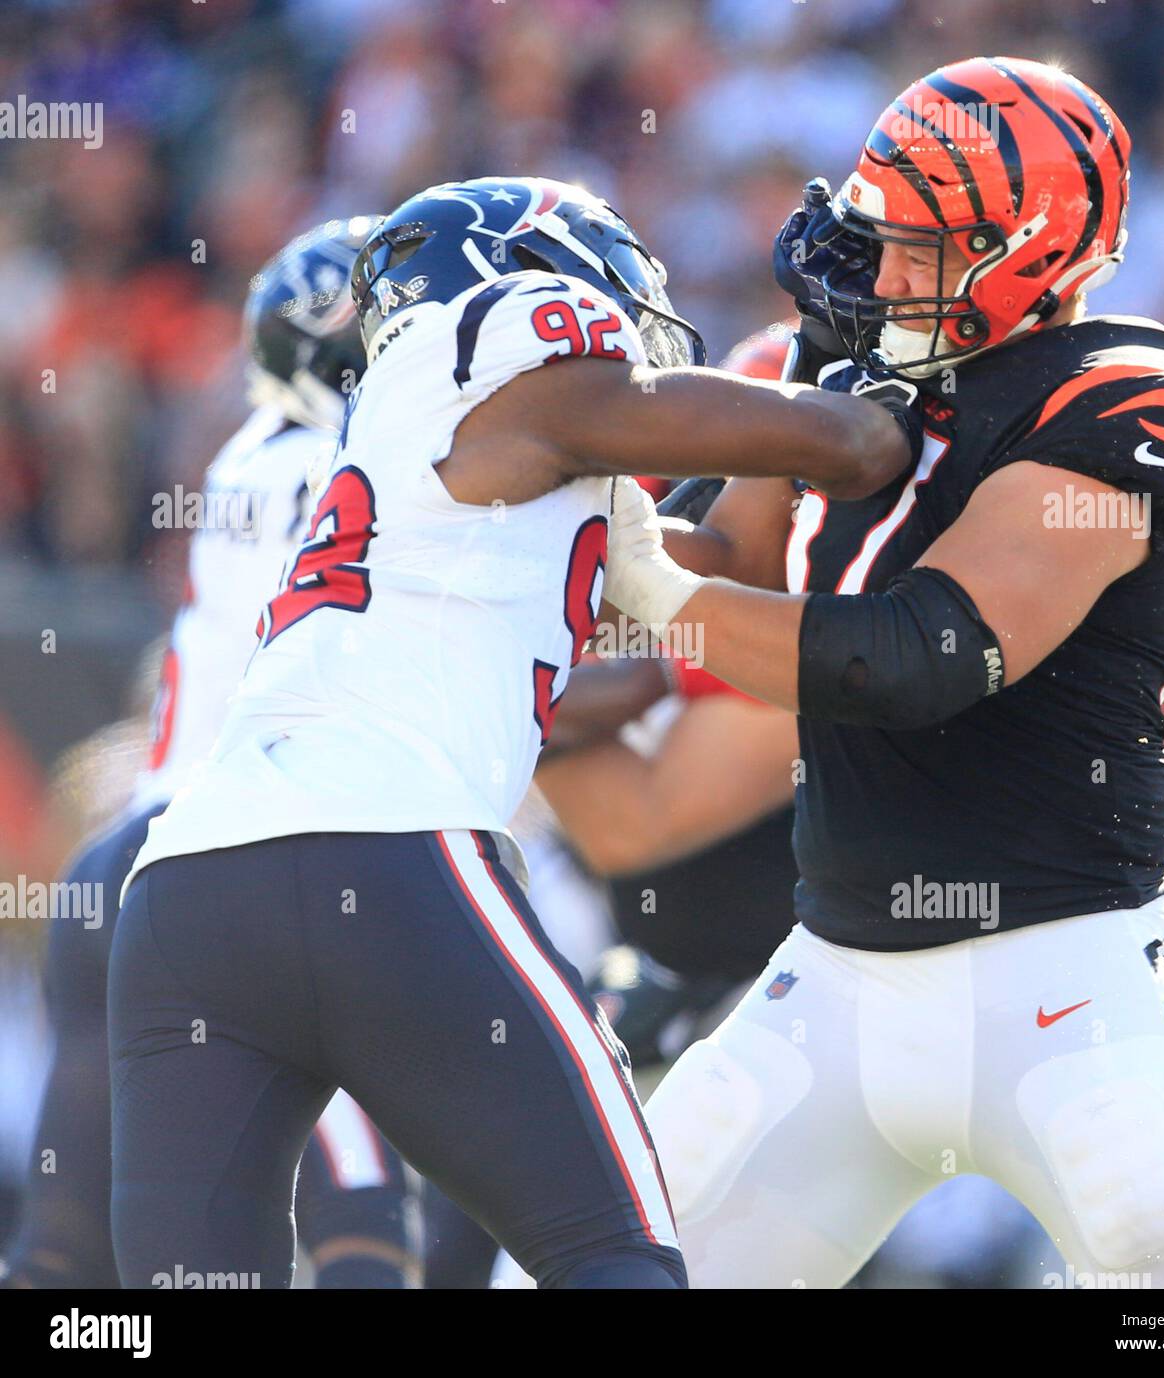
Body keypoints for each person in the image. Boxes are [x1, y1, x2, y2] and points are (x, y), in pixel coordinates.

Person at [106, 177, 920, 1289]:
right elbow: (856, 449)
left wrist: (799, 386)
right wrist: (836, 380)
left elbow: (706, 565)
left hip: (184, 900)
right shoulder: (497, 352)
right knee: (616, 1256)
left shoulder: (445, 442)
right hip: (388, 852)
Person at [601, 57, 1164, 1288]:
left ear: (1026, 251)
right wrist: (574, 533)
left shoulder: (1131, 401)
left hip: (1065, 989)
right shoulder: (861, 376)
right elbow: (730, 558)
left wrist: (650, 587)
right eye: (882, 234)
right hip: (832, 985)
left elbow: (918, 656)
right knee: (609, 1270)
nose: (886, 271)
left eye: (923, 248)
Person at [3, 219, 421, 1291]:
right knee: (361, 1222)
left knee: (63, 1253)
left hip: (127, 859)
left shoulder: (246, 461)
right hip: (244, 861)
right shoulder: (372, 474)